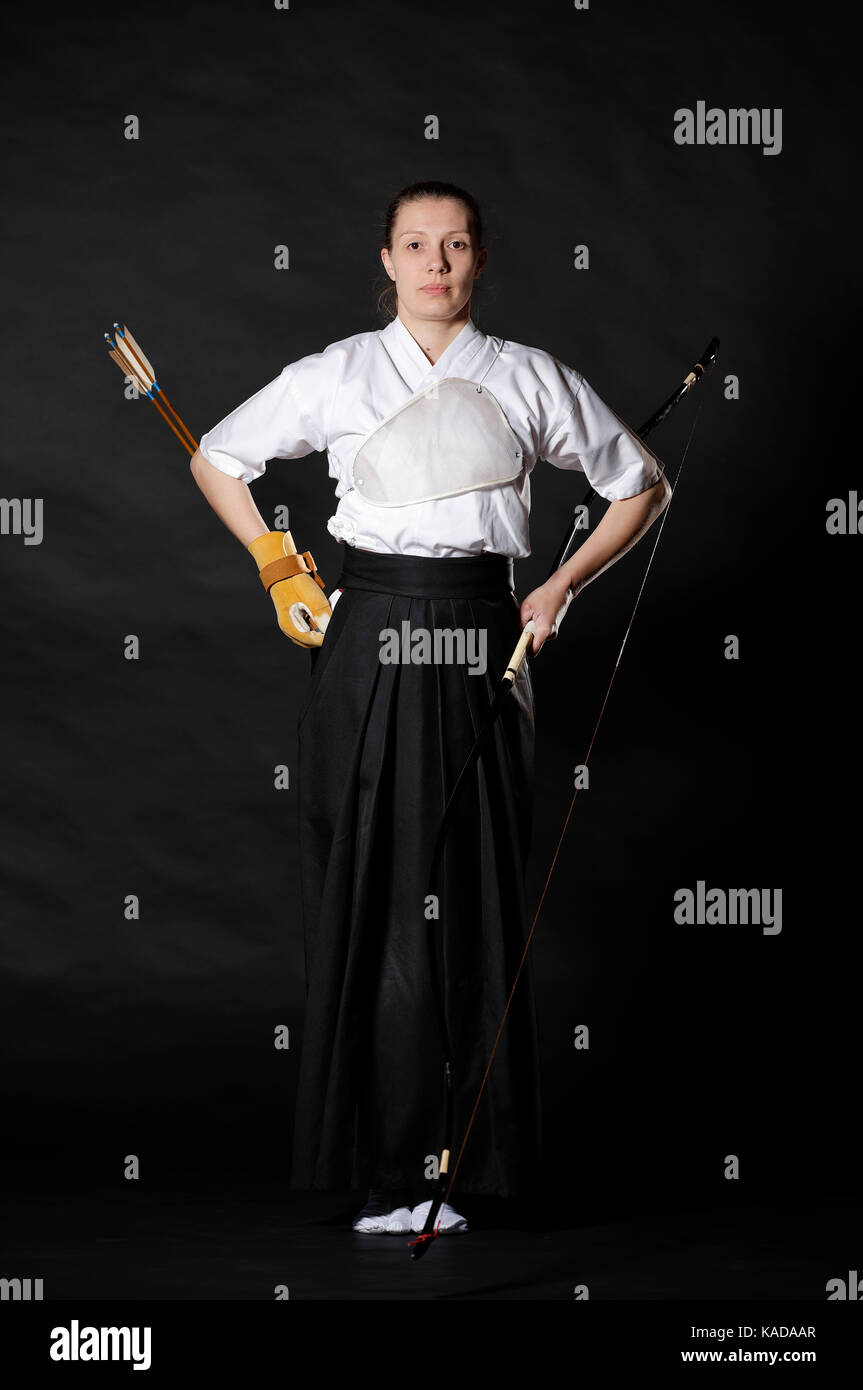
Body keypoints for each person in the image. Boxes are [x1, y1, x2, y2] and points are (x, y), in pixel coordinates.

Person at [189, 180, 670, 1238]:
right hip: (366, 630)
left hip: (483, 633)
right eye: (416, 245)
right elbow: (215, 456)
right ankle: (383, 1167)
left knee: (471, 884)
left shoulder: (528, 376)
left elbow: (640, 484)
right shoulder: (341, 370)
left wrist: (559, 585)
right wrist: (277, 563)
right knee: (371, 883)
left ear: (480, 259)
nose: (435, 263)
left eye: (454, 245)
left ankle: (467, 1164)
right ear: (388, 257)